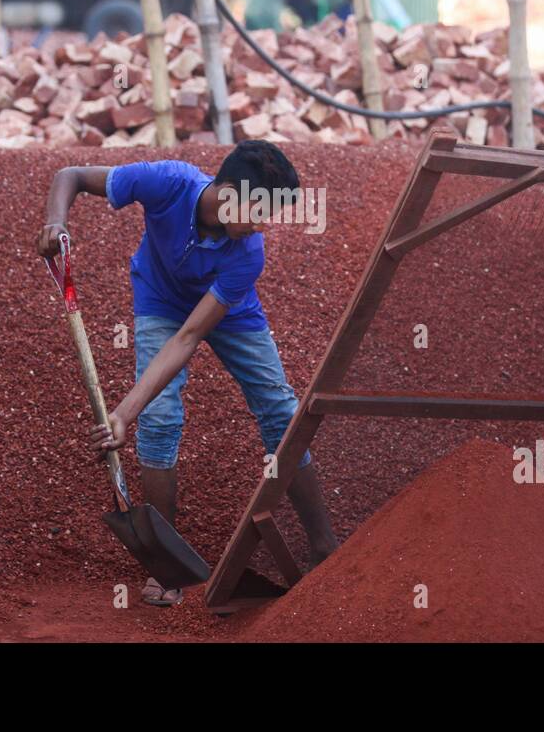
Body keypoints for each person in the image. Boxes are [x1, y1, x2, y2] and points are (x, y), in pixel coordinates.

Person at [37, 141, 338, 605]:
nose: (263, 226)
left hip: (226, 311)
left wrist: (122, 412)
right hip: (159, 300)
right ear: (228, 193)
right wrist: (55, 223)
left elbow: (190, 336)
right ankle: (167, 564)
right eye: (259, 212)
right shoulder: (168, 182)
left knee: (280, 408)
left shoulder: (247, 252)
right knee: (159, 418)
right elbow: (71, 175)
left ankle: (323, 547)